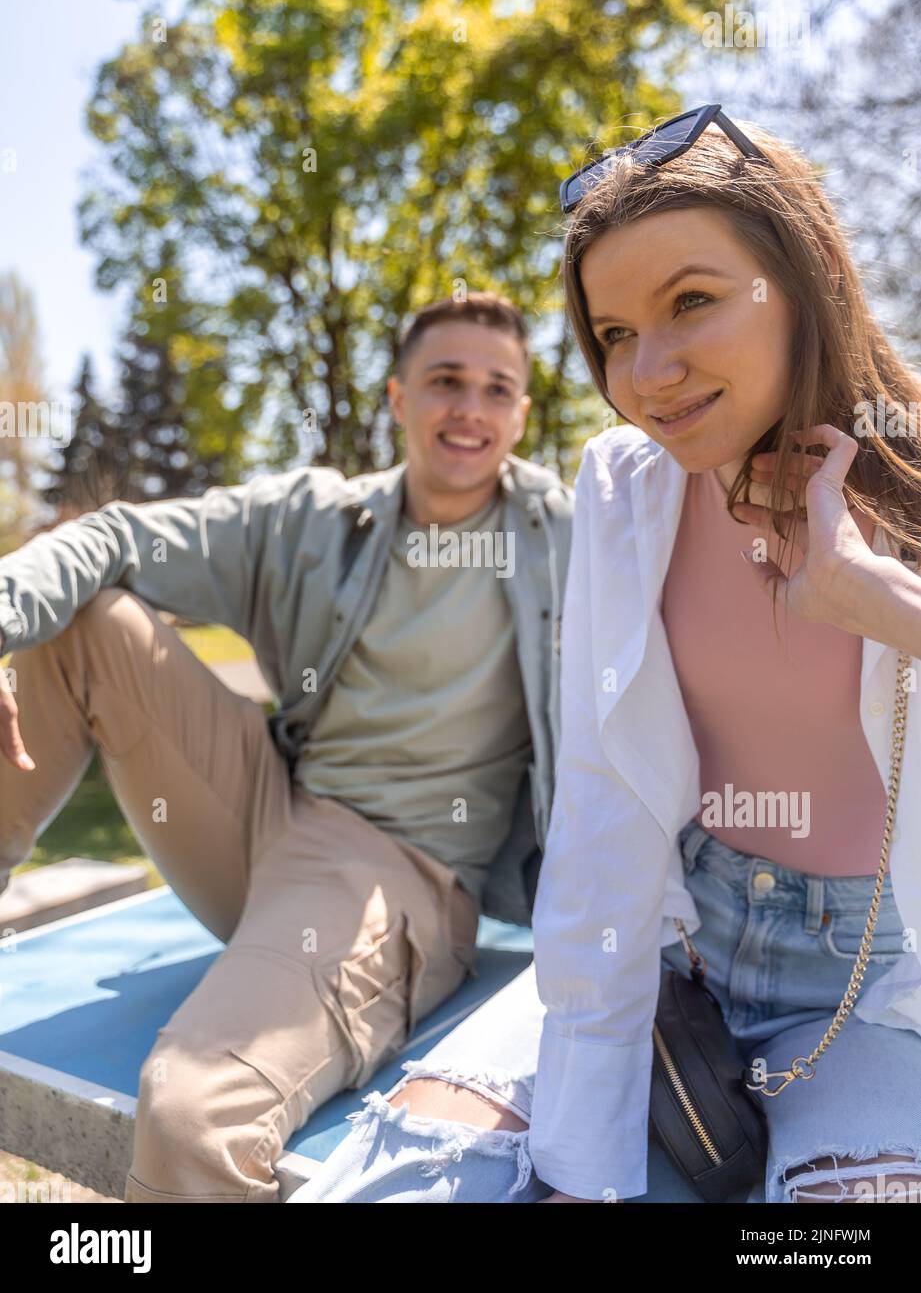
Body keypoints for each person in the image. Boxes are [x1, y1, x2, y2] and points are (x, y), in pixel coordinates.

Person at [292, 108, 921, 1206]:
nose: (651, 372)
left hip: (868, 987)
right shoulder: (628, 485)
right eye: (615, 334)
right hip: (673, 939)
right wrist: (581, 1178)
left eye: (691, 302)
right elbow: (601, 816)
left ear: (803, 275)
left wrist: (878, 599)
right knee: (409, 1181)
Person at [0, 289, 573, 1203]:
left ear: (522, 413)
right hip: (264, 808)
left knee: (192, 1117)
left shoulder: (566, 540)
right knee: (85, 618)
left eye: (496, 388)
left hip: (394, 872)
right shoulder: (316, 520)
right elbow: (110, 535)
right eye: (445, 381)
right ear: (396, 397)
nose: (469, 408)